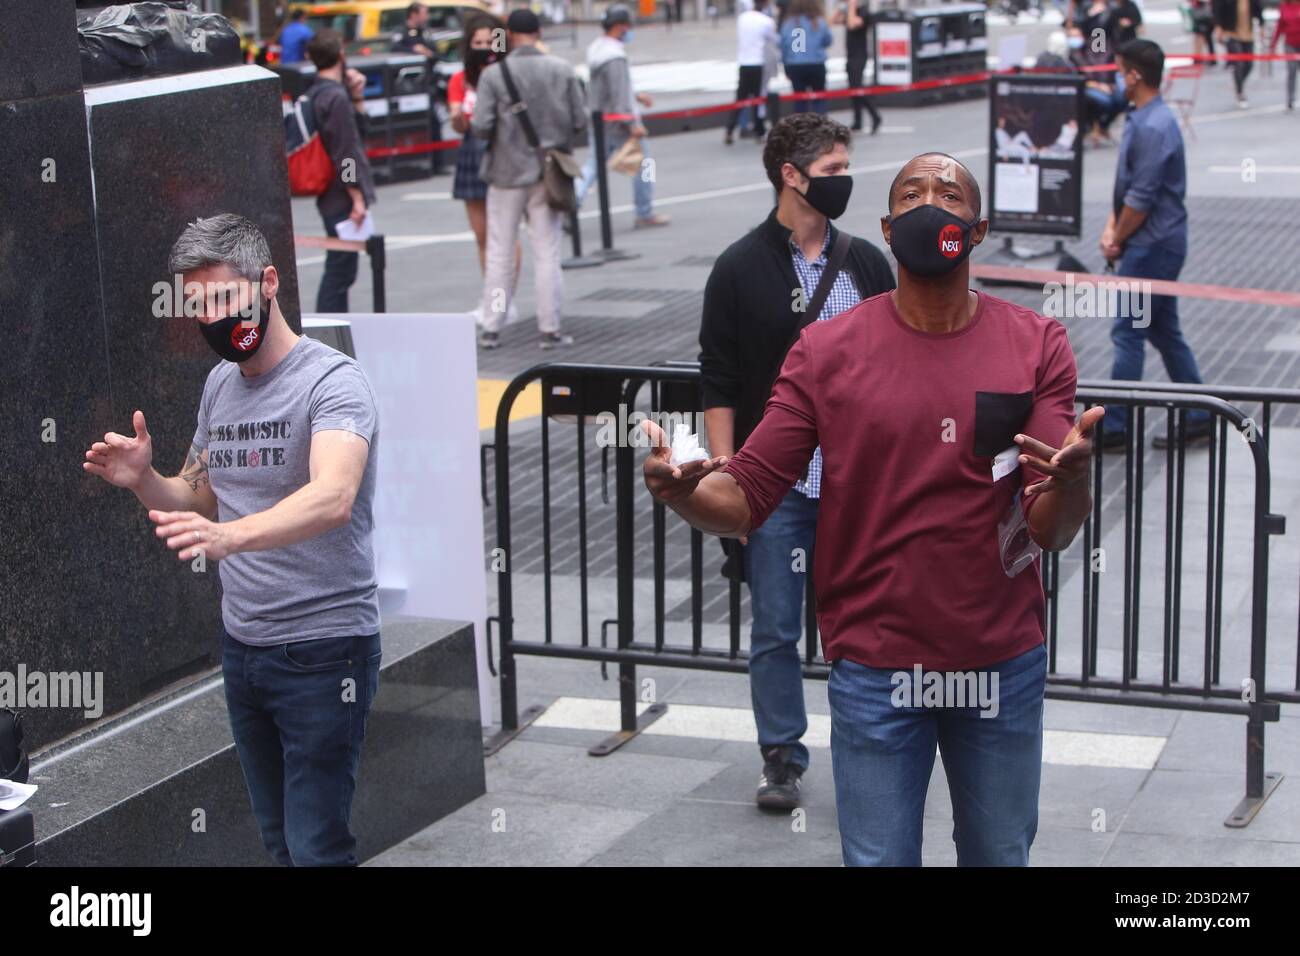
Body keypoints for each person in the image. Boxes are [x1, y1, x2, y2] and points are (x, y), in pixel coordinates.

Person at [654, 153, 1100, 866]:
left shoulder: (1035, 344)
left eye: (948, 194)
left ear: (976, 230)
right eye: (912, 194)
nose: (931, 204)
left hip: (999, 662)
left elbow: (1049, 524)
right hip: (874, 667)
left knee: (999, 852)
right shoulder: (826, 351)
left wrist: (1075, 483)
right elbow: (744, 500)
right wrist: (683, 492)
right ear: (889, 230)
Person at [83, 214, 381, 866]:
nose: (215, 320)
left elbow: (334, 496)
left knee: (316, 846)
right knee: (279, 842)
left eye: (225, 299)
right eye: (199, 308)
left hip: (324, 651)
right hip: (245, 650)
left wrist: (229, 537)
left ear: (268, 282)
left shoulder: (333, 384)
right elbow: (196, 498)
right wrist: (142, 480)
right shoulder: (221, 385)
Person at [698, 113, 895, 810]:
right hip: (775, 489)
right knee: (777, 627)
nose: (846, 180)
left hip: (857, 487)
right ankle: (781, 753)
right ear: (792, 174)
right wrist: (729, 482)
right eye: (835, 169)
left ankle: (874, 742)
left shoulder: (868, 263)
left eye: (846, 167)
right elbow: (718, 382)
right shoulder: (738, 267)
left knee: (868, 624)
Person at [1100, 39, 1210, 448]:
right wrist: (1113, 229)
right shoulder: (1143, 118)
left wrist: (1117, 238)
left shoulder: (1153, 126)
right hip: (1153, 242)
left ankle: (1115, 425)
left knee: (1128, 331)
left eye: (1119, 69)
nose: (1115, 77)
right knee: (1163, 331)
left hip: (1153, 245)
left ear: (1135, 75)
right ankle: (1200, 414)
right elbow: (1128, 191)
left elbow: (1141, 200)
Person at [471, 8, 587, 350]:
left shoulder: (494, 74)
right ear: (539, 32)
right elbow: (579, 119)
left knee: (499, 253)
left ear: (509, 32)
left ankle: (492, 326)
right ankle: (549, 328)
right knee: (548, 251)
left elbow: (480, 126)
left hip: (505, 174)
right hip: (548, 171)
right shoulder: (562, 69)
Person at [448, 12, 520, 323]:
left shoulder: (506, 73)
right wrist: (460, 115)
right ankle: (492, 297)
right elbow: (457, 123)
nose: (483, 47)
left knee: (505, 234)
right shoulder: (459, 79)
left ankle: (507, 299)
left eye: (489, 41)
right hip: (472, 153)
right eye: (477, 42)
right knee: (482, 236)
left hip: (504, 152)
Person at [575, 5, 669, 228]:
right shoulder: (614, 56)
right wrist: (632, 123)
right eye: (627, 26)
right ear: (619, 27)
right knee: (646, 165)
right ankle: (644, 211)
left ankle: (573, 202)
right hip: (619, 123)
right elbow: (618, 94)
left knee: (593, 166)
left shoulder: (598, 49)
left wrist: (636, 95)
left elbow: (610, 88)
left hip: (601, 120)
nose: (629, 30)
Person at [307, 30, 377, 313]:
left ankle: (332, 327)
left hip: (328, 192)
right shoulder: (334, 98)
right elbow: (345, 153)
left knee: (341, 267)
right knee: (340, 270)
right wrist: (357, 198)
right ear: (341, 56)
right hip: (340, 196)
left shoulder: (316, 93)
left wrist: (357, 97)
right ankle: (330, 330)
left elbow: (353, 137)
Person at [725, 0, 779, 144]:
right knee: (758, 98)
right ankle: (759, 131)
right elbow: (773, 39)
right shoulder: (766, 21)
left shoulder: (742, 18)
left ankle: (729, 130)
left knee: (740, 98)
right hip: (758, 62)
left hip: (744, 62)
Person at [780, 0, 833, 114]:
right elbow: (828, 40)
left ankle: (801, 127)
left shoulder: (789, 23)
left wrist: (786, 66)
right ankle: (821, 125)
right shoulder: (819, 22)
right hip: (816, 63)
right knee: (819, 97)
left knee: (800, 100)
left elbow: (783, 46)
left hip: (795, 64)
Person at [840, 0, 881, 133]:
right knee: (853, 89)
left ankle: (875, 115)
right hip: (850, 55)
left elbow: (852, 24)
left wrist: (851, 6)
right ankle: (858, 120)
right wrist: (841, 9)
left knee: (857, 88)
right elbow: (832, 21)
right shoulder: (850, 12)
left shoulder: (864, 12)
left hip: (859, 55)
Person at [1214, 0, 1263, 107]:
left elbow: (1258, 9)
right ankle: (1240, 92)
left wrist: (1261, 26)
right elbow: (1217, 7)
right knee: (1238, 63)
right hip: (1231, 32)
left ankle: (1239, 84)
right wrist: (1218, 27)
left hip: (1248, 33)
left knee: (1249, 64)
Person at [1268, 0, 1300, 110]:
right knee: (1292, 70)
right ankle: (1290, 99)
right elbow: (1280, 26)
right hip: (1290, 43)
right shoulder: (1284, 6)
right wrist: (1273, 44)